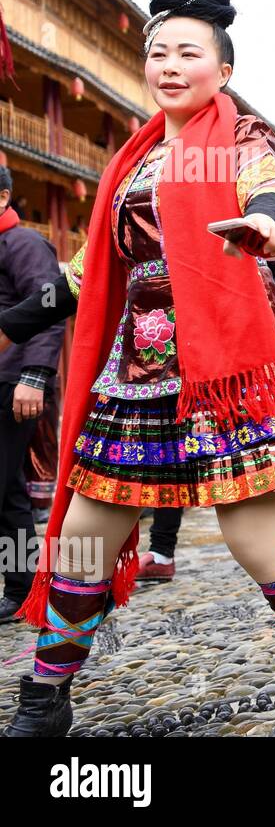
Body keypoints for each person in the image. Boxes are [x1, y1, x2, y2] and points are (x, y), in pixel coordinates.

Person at [0, 0, 275, 737]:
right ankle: (45, 696)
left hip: (225, 366)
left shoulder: (243, 140)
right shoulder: (132, 162)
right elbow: (88, 275)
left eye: (188, 51)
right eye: (157, 51)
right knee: (86, 539)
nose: (168, 63)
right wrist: (14, 315)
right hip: (138, 373)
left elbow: (271, 192)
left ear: (222, 70)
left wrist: (269, 225)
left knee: (254, 537)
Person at [137, 253, 275, 582]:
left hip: (253, 348)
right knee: (174, 451)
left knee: (267, 444)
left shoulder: (252, 205)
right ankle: (162, 549)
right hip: (181, 346)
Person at [0, 165, 64, 623]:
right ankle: (21, 587)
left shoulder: (23, 244)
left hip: (10, 380)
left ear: (3, 198)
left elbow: (48, 307)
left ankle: (23, 586)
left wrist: (36, 375)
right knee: (10, 494)